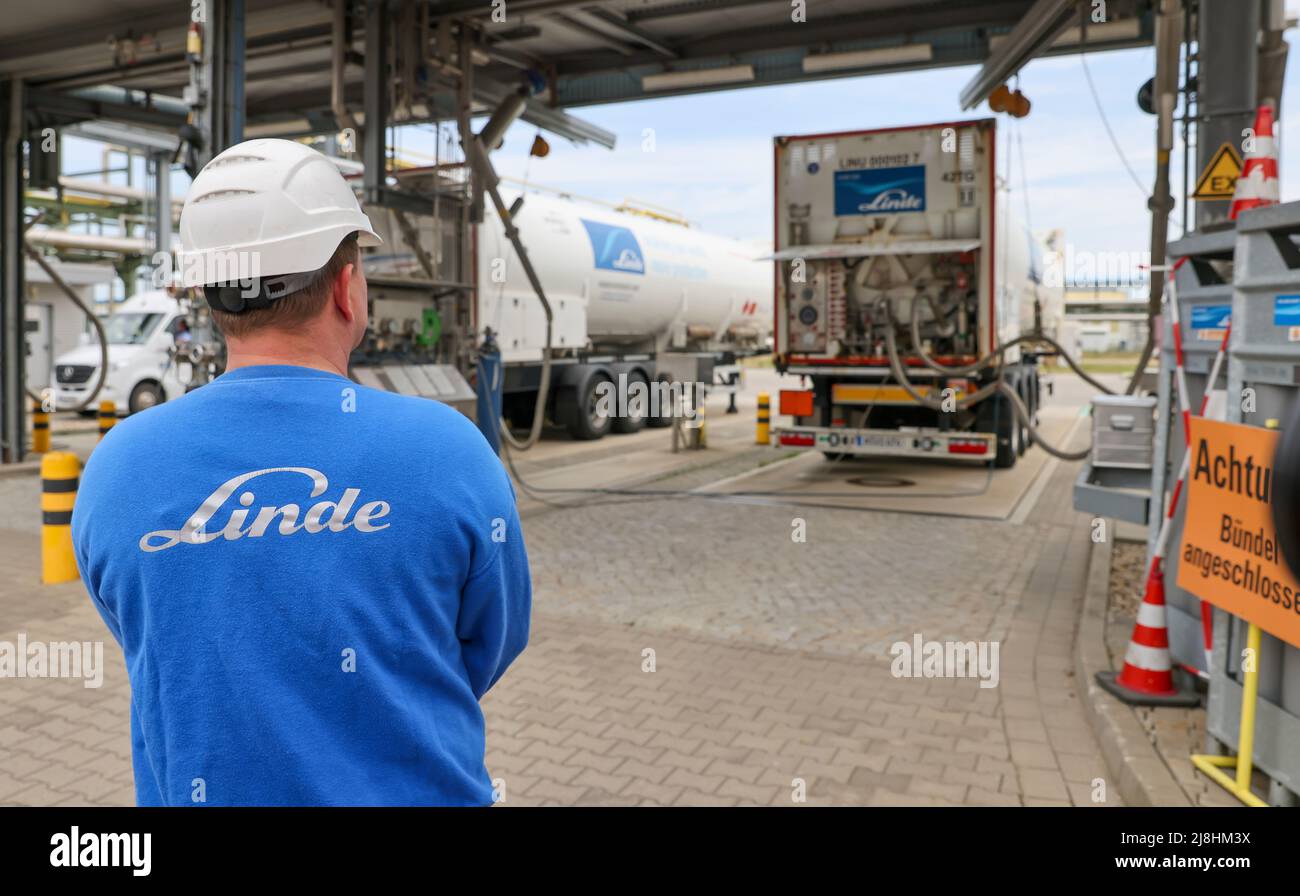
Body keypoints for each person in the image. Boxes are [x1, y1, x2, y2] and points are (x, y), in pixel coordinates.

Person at [71, 138, 531, 806]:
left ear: (210, 295)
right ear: (346, 290)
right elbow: (491, 642)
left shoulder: (119, 465)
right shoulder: (451, 451)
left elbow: (150, 630)